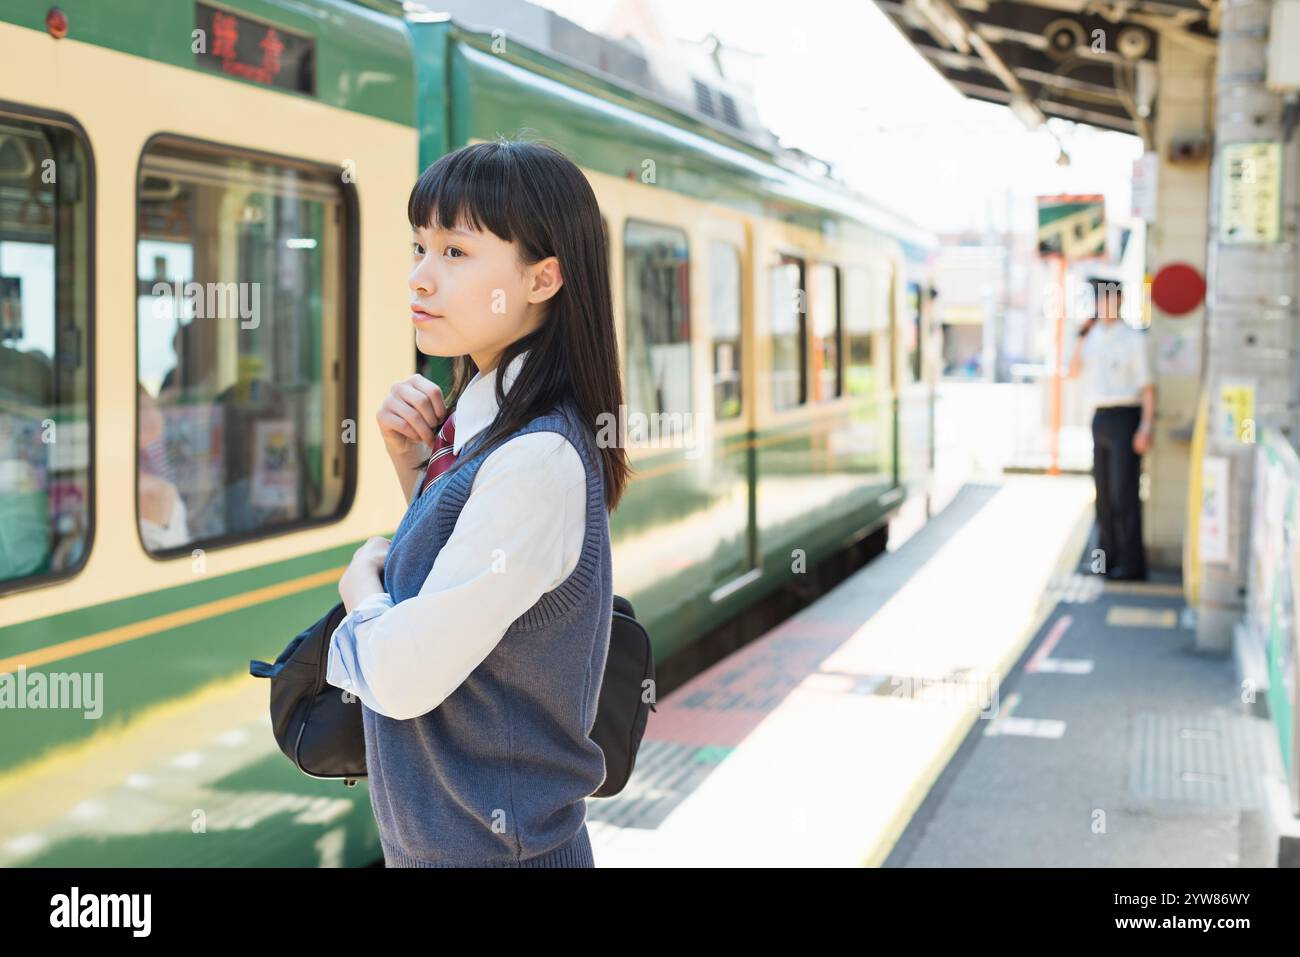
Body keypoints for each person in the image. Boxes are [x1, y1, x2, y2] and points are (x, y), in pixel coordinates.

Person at [324, 138, 630, 868]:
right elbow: (476, 598)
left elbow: (402, 677)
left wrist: (360, 590)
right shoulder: (487, 427)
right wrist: (417, 476)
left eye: (455, 253)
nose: (420, 280)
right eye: (418, 247)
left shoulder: (536, 456)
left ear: (542, 277)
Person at [1068, 279, 1154, 581]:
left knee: (1124, 494)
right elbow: (1072, 371)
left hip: (1125, 417)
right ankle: (1103, 561)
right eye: (1098, 299)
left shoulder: (1133, 339)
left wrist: (1145, 427)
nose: (1102, 305)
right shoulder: (1092, 337)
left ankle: (1131, 565)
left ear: (1118, 301)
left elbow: (1147, 388)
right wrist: (1081, 335)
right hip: (1100, 418)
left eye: (1107, 299)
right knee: (1102, 494)